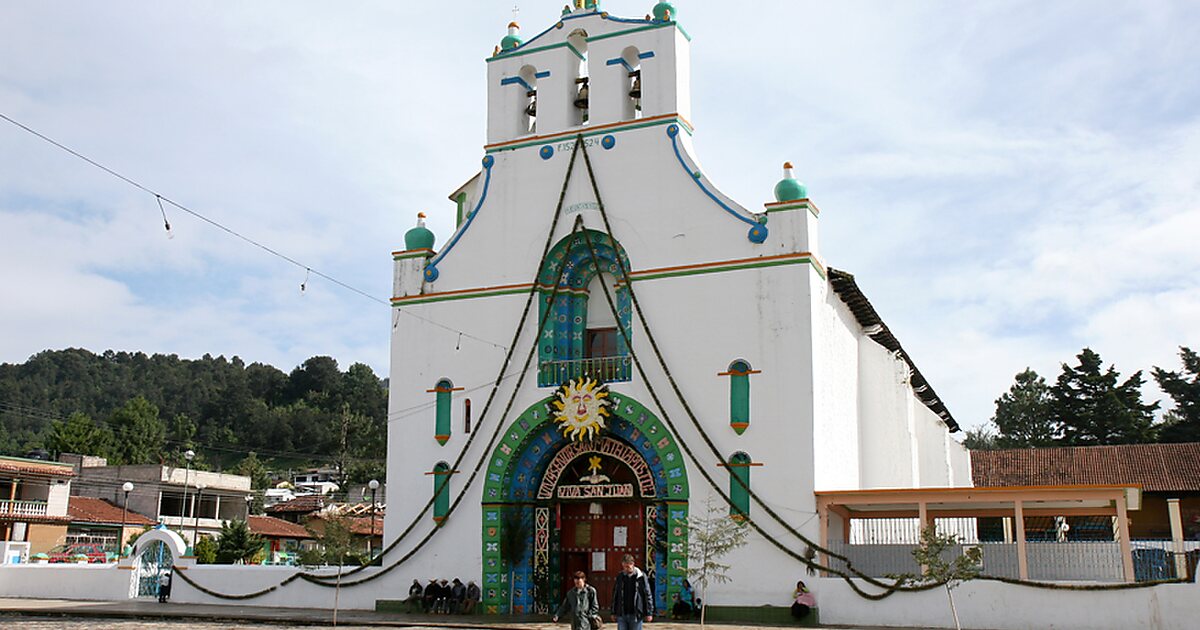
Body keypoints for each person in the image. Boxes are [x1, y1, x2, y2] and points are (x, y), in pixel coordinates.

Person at [612, 553, 653, 630]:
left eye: (628, 567)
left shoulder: (641, 577)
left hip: (636, 613)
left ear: (632, 564)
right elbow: (616, 594)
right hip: (622, 613)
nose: (626, 569)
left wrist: (649, 612)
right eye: (624, 567)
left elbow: (647, 594)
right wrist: (613, 612)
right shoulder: (620, 576)